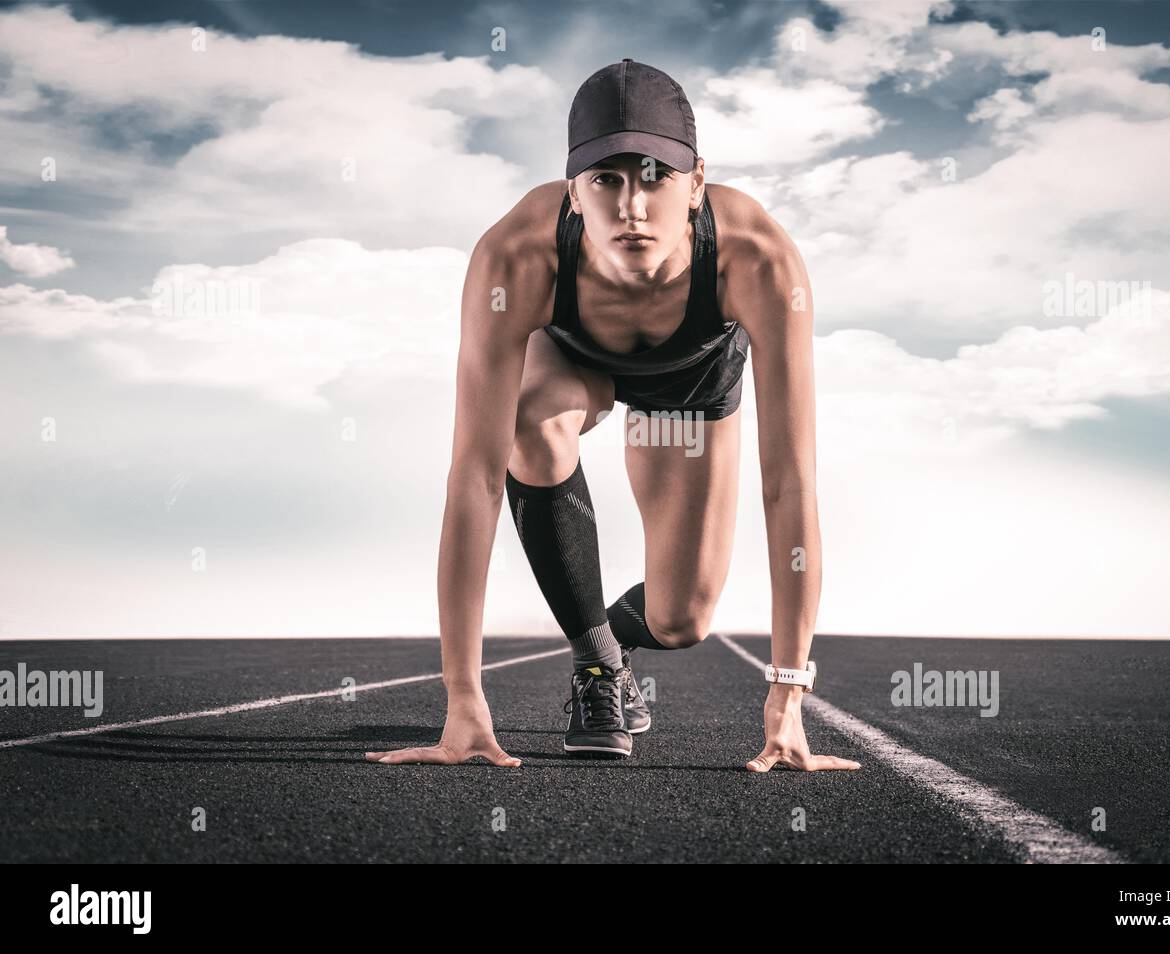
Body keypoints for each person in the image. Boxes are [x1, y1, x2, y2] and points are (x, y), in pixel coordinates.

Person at [367, 58, 859, 772]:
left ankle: (621, 635)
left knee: (682, 618)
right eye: (607, 179)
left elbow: (790, 483)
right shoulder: (515, 254)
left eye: (655, 175)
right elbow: (473, 478)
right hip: (574, 363)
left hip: (687, 393)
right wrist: (462, 698)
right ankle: (599, 668)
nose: (632, 206)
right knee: (526, 422)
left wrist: (787, 695)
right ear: (573, 191)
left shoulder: (758, 259)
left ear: (696, 184)